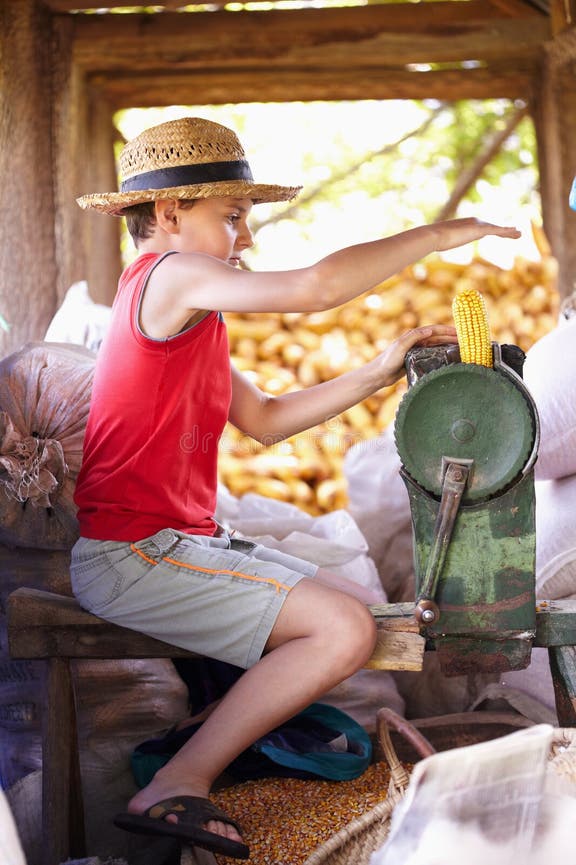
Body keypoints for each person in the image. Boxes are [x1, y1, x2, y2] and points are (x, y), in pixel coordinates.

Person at [72, 115, 521, 859]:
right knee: (343, 631)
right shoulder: (167, 275)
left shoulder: (187, 311)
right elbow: (315, 289)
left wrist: (377, 372)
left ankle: (204, 731)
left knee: (352, 610)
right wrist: (437, 235)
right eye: (233, 218)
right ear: (167, 214)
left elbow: (268, 422)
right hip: (135, 554)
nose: (244, 239)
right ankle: (178, 779)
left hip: (175, 543)